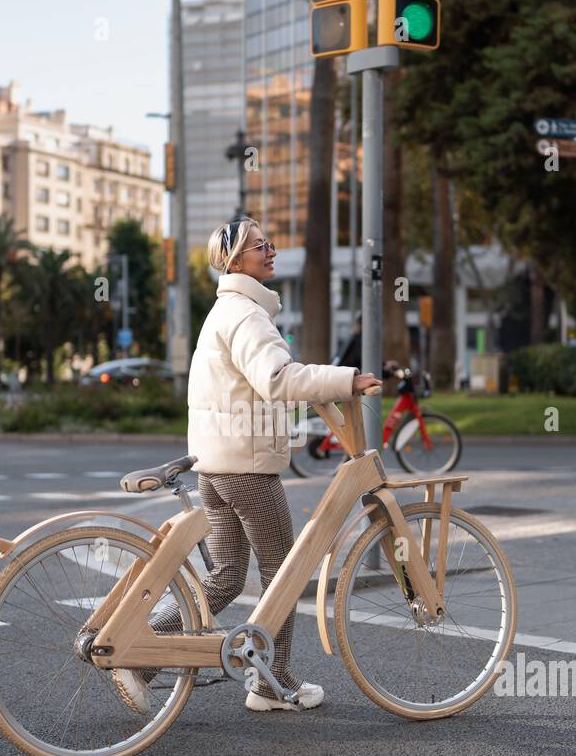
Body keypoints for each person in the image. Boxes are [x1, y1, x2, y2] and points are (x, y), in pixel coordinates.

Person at [111, 215, 381, 718]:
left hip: (215, 465)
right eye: (261, 247)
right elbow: (277, 379)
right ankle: (270, 681)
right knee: (284, 571)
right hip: (246, 470)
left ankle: (139, 659)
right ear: (235, 261)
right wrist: (347, 380)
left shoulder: (227, 310)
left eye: (270, 243)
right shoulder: (247, 314)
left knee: (229, 576)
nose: (271, 251)